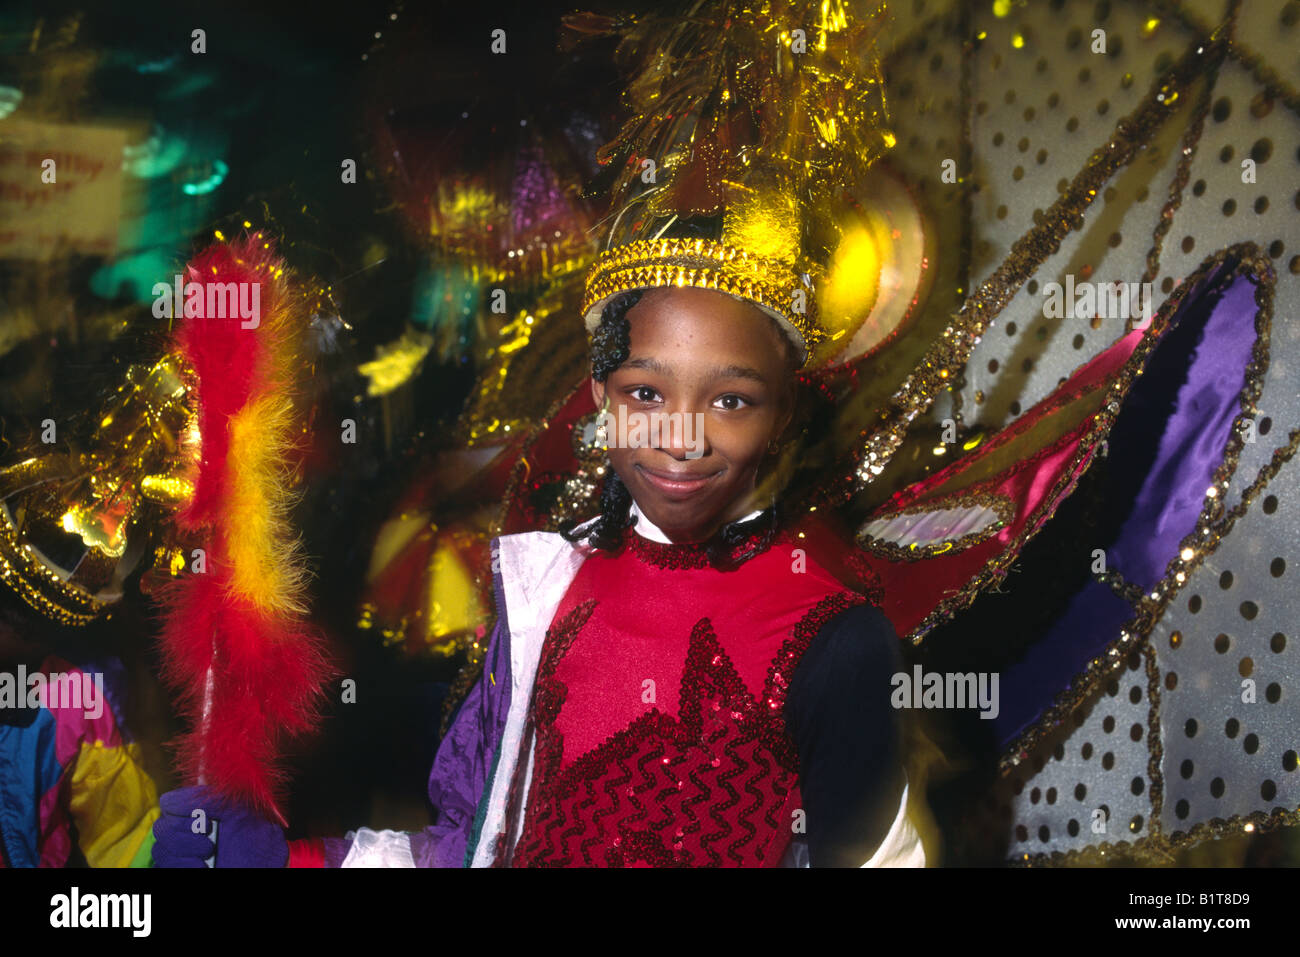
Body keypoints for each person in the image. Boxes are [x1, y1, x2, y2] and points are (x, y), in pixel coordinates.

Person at [152, 279, 925, 868]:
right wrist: (293, 860)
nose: (682, 437)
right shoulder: (548, 590)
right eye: (645, 393)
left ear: (784, 411)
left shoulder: (836, 638)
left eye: (730, 399)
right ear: (599, 396)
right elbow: (475, 844)